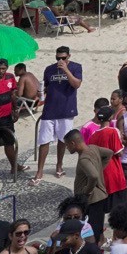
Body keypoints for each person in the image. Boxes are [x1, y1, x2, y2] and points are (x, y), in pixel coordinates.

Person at [35, 47, 84, 185]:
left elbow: (76, 84)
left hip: (66, 109)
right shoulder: (49, 69)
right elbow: (45, 87)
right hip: (49, 109)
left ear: (69, 56)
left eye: (63, 58)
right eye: (58, 58)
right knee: (44, 140)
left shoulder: (76, 67)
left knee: (64, 139)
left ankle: (59, 165)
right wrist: (40, 93)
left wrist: (66, 70)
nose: (60, 60)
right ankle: (40, 170)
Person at [61, 131, 113, 244]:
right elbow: (109, 153)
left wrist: (86, 191)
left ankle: (93, 251)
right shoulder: (93, 148)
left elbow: (93, 176)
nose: (66, 148)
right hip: (100, 197)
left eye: (67, 145)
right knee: (97, 228)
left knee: (92, 231)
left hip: (92, 199)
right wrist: (100, 168)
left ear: (73, 143)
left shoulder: (83, 159)